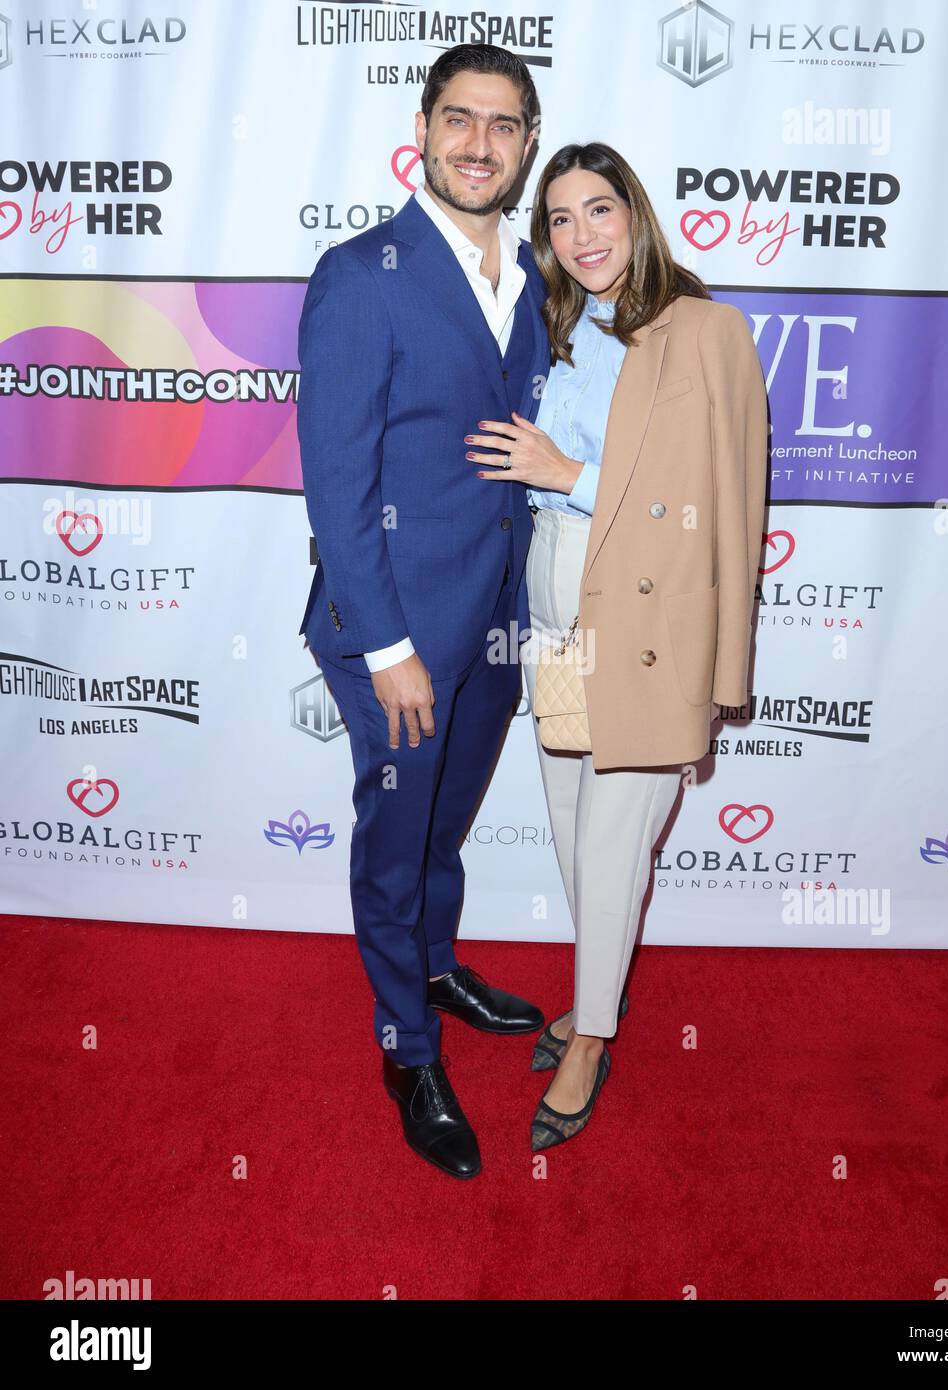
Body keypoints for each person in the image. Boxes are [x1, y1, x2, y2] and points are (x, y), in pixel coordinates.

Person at [468, 142, 768, 1150]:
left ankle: (591, 1035)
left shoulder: (705, 331)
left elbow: (718, 506)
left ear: (634, 215)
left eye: (599, 210)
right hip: (551, 621)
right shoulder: (552, 327)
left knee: (607, 846)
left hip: (647, 632)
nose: (581, 234)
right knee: (572, 839)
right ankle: (601, 991)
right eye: (559, 218)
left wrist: (568, 472)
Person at [295, 45, 553, 1180]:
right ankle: (407, 1047)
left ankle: (436, 963)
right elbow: (335, 482)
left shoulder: (539, 277)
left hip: (496, 614)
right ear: (422, 125)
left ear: (527, 141)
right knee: (396, 843)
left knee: (443, 820)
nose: (479, 145)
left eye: (503, 126)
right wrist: (391, 647)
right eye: (460, 119)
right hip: (394, 629)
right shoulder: (365, 273)